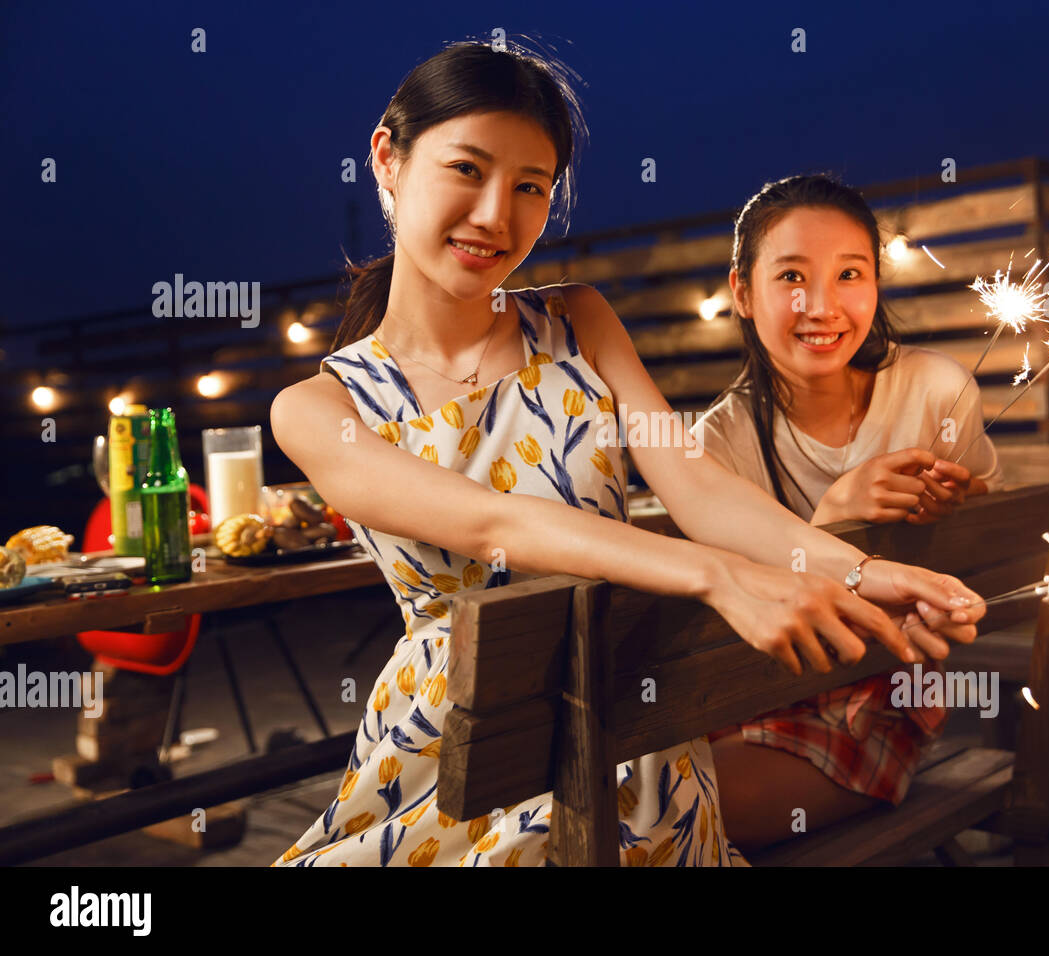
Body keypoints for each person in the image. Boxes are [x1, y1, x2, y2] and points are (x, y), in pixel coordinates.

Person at [268, 42, 984, 868]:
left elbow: (693, 479)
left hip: (620, 734)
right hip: (442, 753)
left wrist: (851, 569)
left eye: (531, 187)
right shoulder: (322, 409)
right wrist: (717, 574)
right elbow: (496, 521)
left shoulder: (580, 322)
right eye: (467, 169)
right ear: (388, 159)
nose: (497, 217)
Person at [691, 173, 1003, 852]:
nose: (822, 306)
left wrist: (951, 499)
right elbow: (735, 614)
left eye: (850, 274)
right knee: (653, 796)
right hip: (747, 696)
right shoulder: (716, 443)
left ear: (877, 286)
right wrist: (836, 515)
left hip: (879, 702)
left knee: (665, 816)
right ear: (742, 292)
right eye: (792, 276)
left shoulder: (935, 389)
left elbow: (985, 512)